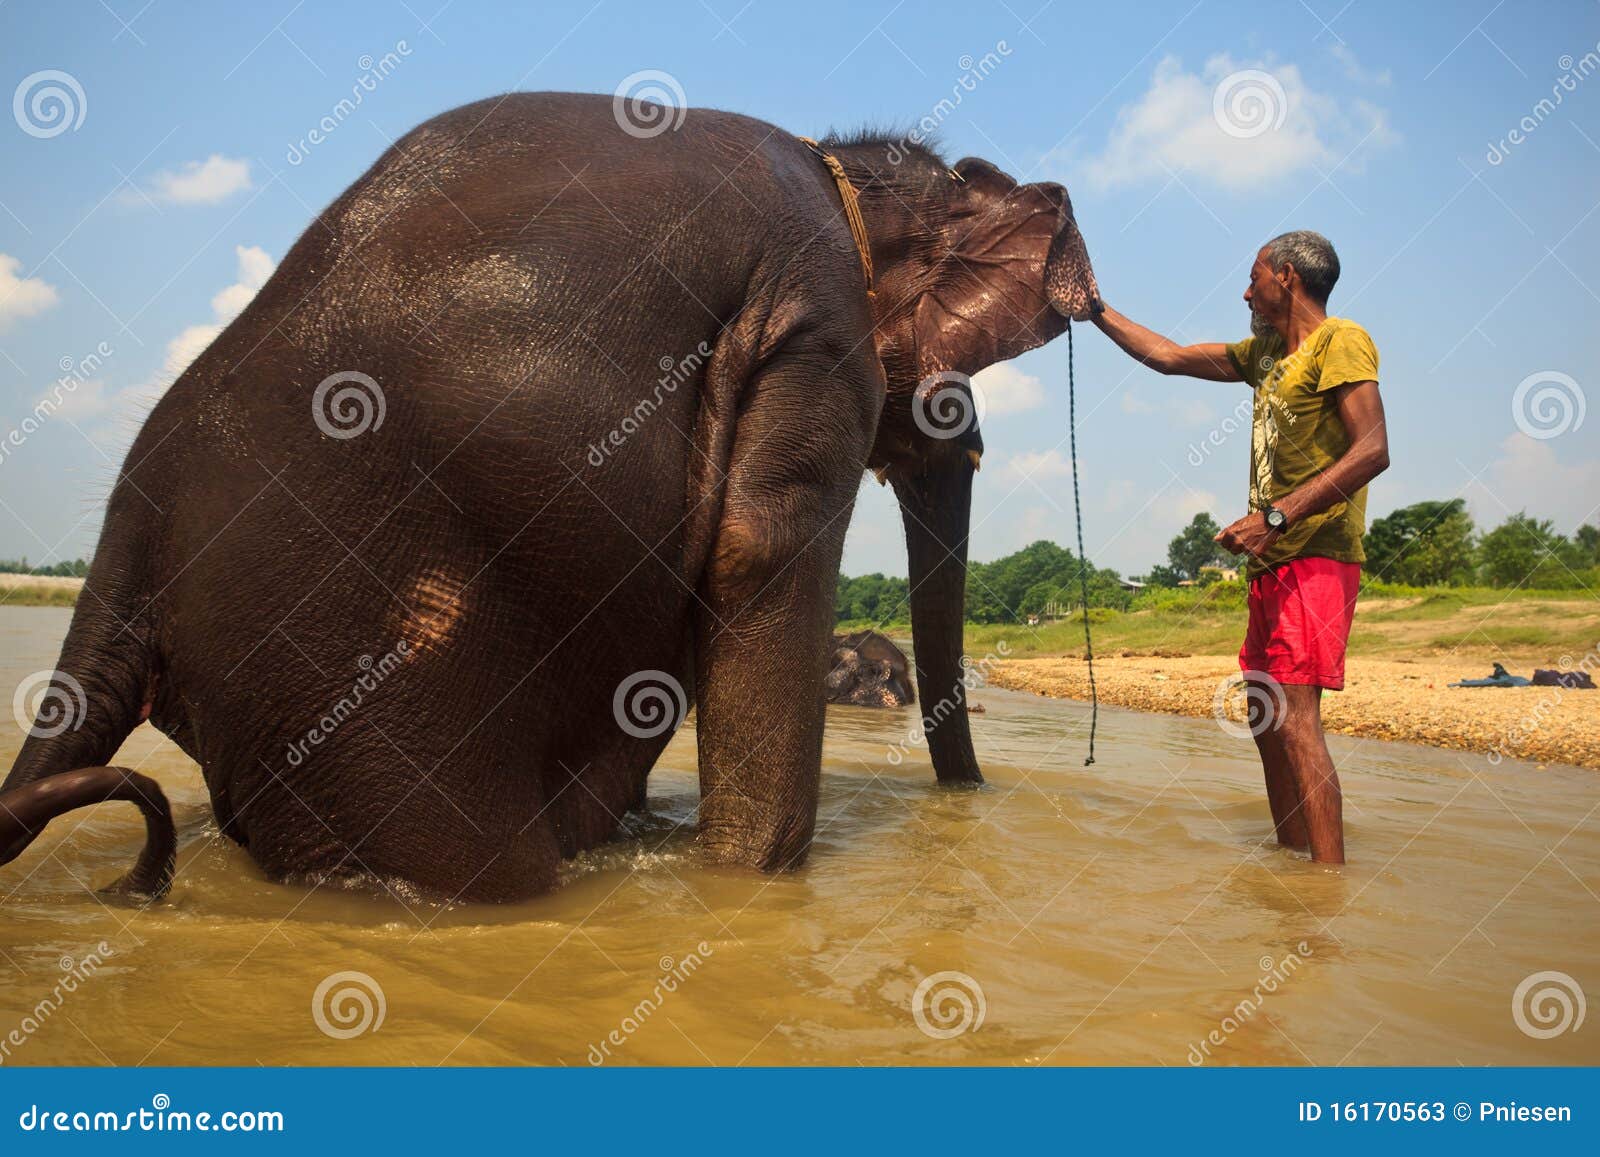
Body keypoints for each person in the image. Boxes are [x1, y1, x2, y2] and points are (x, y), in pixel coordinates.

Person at [1089, 231, 1389, 863]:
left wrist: (1274, 517)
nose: (1245, 290)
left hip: (1317, 555)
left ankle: (1327, 886)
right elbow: (1168, 357)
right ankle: (1291, 866)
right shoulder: (1268, 355)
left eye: (1253, 277)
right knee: (1265, 718)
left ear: (1286, 277)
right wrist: (1092, 307)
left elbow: (1373, 450)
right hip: (1273, 562)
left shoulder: (1341, 341)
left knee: (1299, 720)